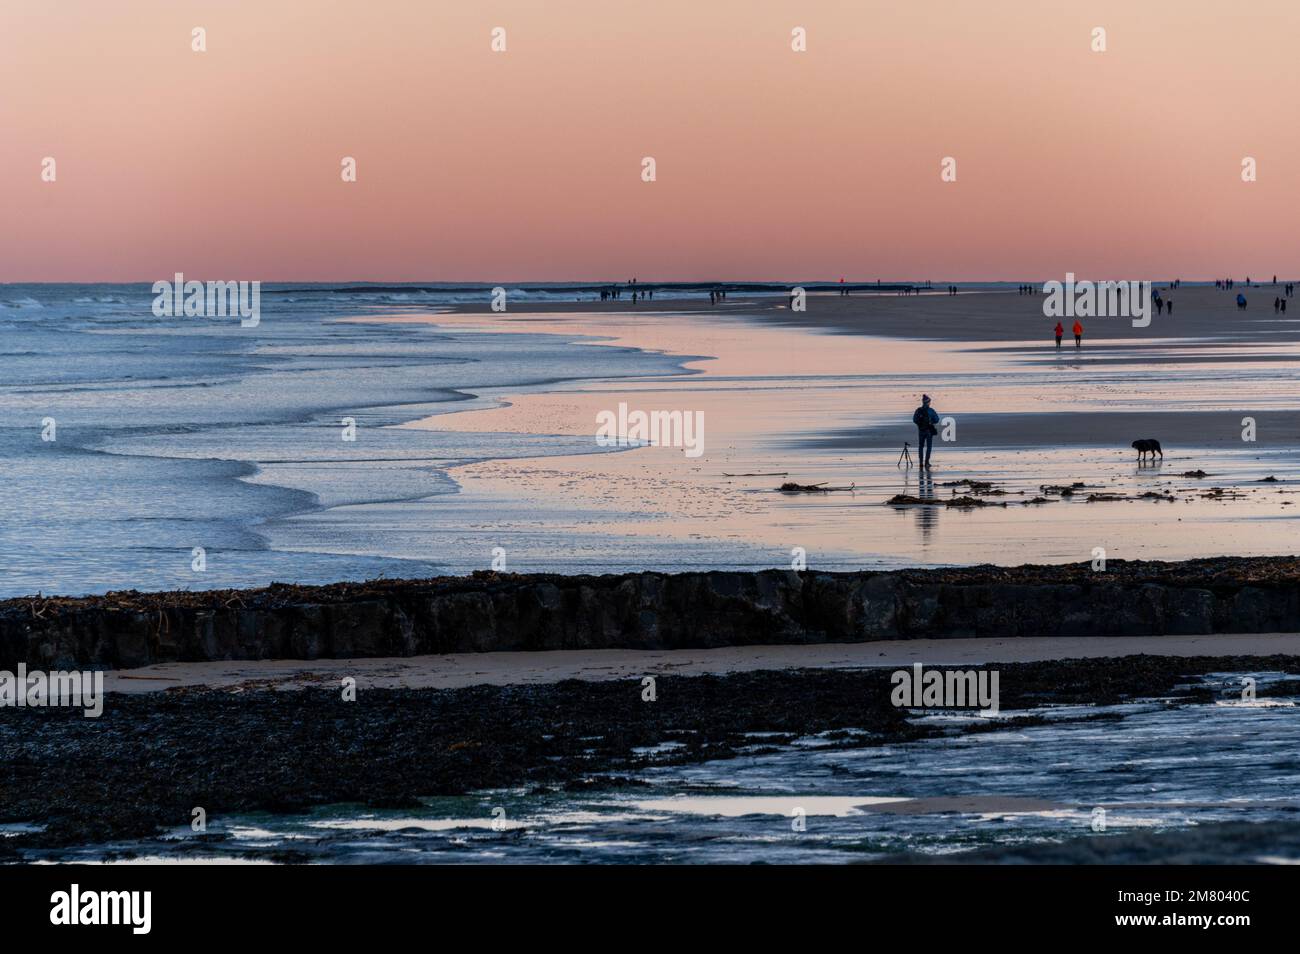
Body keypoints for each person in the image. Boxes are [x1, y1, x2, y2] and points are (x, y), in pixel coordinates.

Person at [912, 394, 940, 469]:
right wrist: (931, 422)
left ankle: (921, 462)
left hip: (921, 431)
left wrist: (919, 424)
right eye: (929, 402)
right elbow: (937, 420)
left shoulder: (918, 410)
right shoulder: (931, 410)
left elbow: (914, 420)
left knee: (921, 446)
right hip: (928, 431)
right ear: (927, 402)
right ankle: (926, 462)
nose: (929, 403)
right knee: (929, 447)